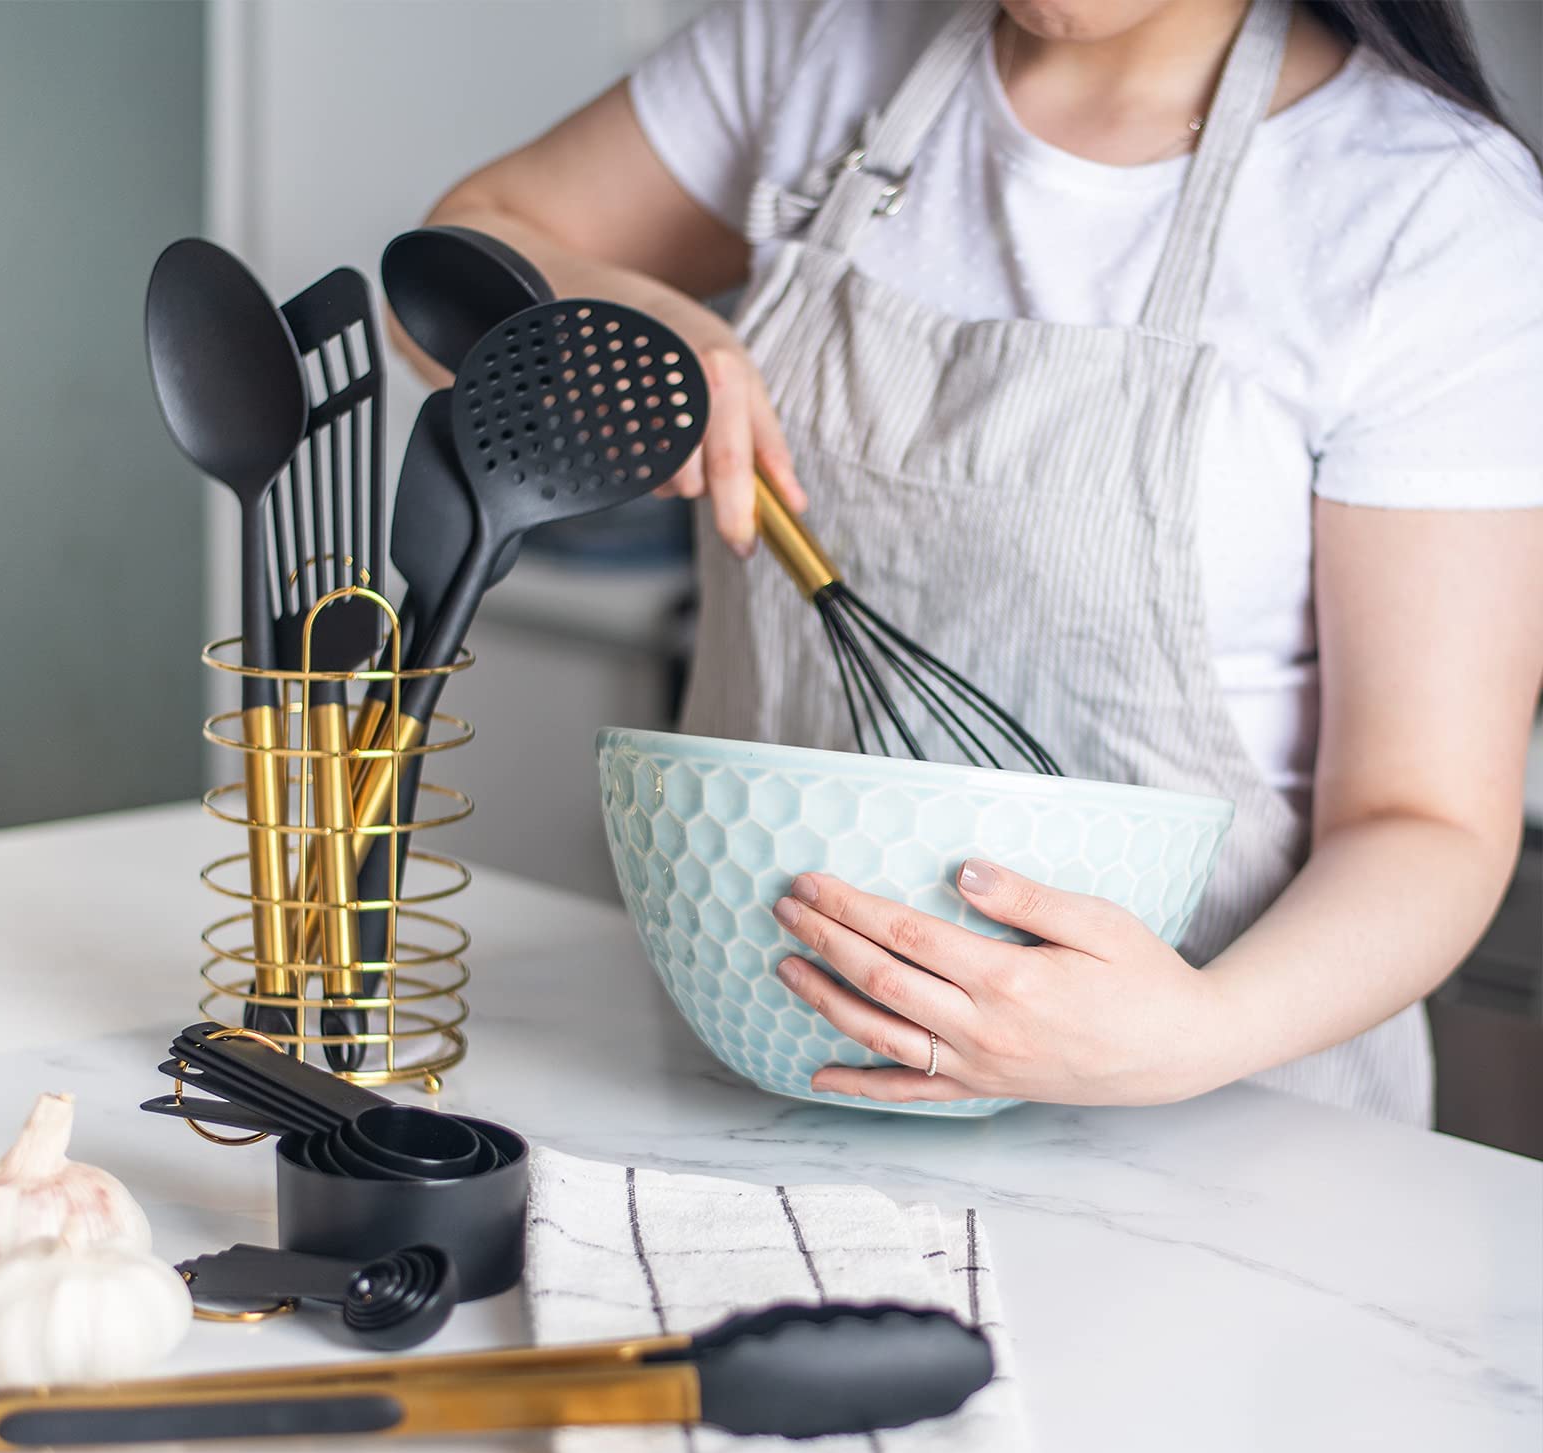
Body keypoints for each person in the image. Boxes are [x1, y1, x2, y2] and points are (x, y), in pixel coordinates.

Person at [409, 0, 1543, 1121]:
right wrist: (643, 322)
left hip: (1220, 1133)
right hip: (771, 1074)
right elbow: (457, 261)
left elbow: (1425, 821)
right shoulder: (811, 42)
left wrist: (1190, 1034)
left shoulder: (1429, 209)